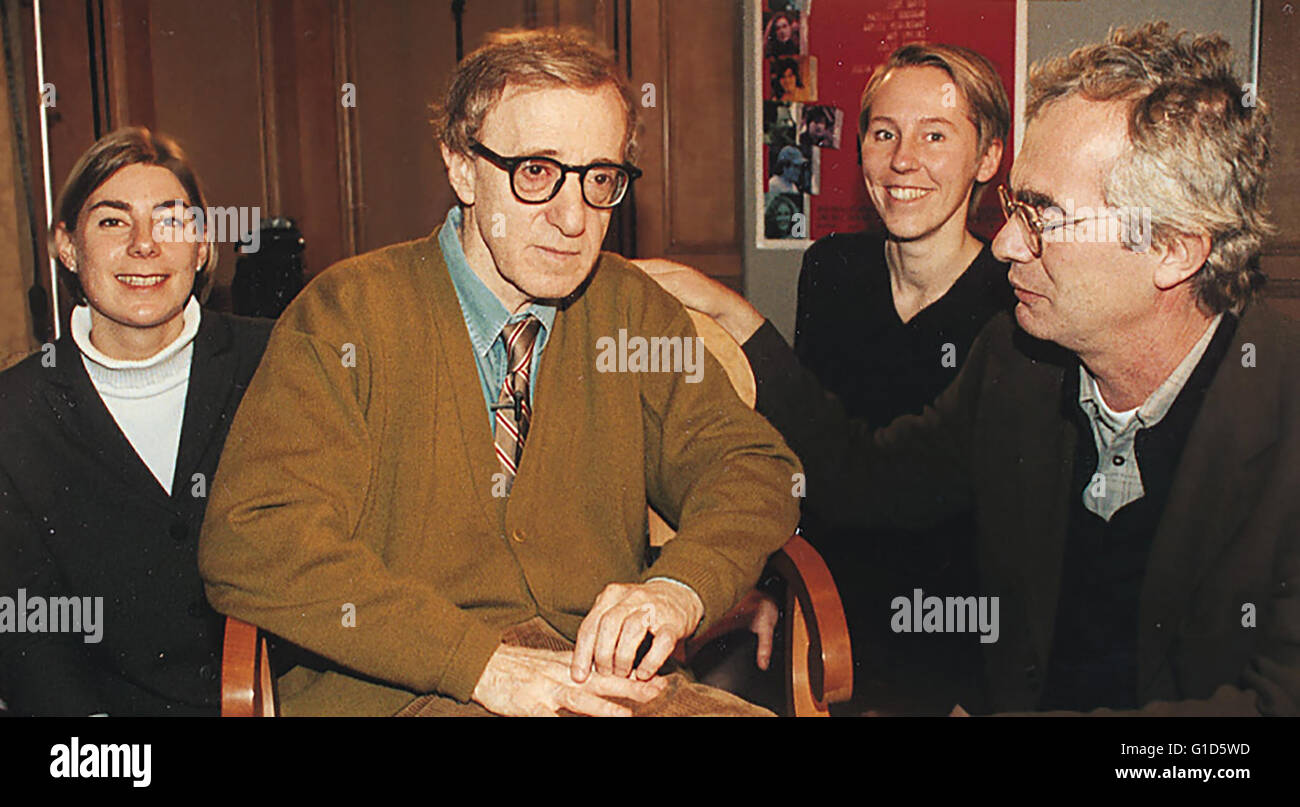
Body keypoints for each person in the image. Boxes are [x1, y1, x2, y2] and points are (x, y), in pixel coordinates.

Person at [652, 22, 1299, 715]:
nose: (1006, 244)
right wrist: (741, 325)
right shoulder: (1017, 362)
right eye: (1017, 206)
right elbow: (866, 479)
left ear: (1174, 249)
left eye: (1044, 215)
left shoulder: (1280, 408)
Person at [197, 28, 801, 717]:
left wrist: (679, 587)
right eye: (536, 172)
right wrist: (475, 661)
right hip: (403, 691)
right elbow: (253, 533)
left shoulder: (631, 313)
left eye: (599, 178)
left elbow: (755, 466)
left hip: (604, 689)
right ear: (460, 166)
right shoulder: (348, 315)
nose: (574, 218)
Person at [647, 42, 1012, 713]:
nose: (903, 160)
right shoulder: (834, 271)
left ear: (988, 157)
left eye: (935, 134)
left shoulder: (1015, 307)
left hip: (952, 642)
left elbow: (897, 487)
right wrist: (763, 585)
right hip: (816, 602)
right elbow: (795, 459)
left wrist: (736, 314)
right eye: (883, 133)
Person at [0, 127, 272, 715]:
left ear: (201, 246)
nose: (144, 245)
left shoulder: (277, 364)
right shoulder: (13, 415)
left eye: (170, 220)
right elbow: (28, 641)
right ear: (68, 247)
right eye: (112, 221)